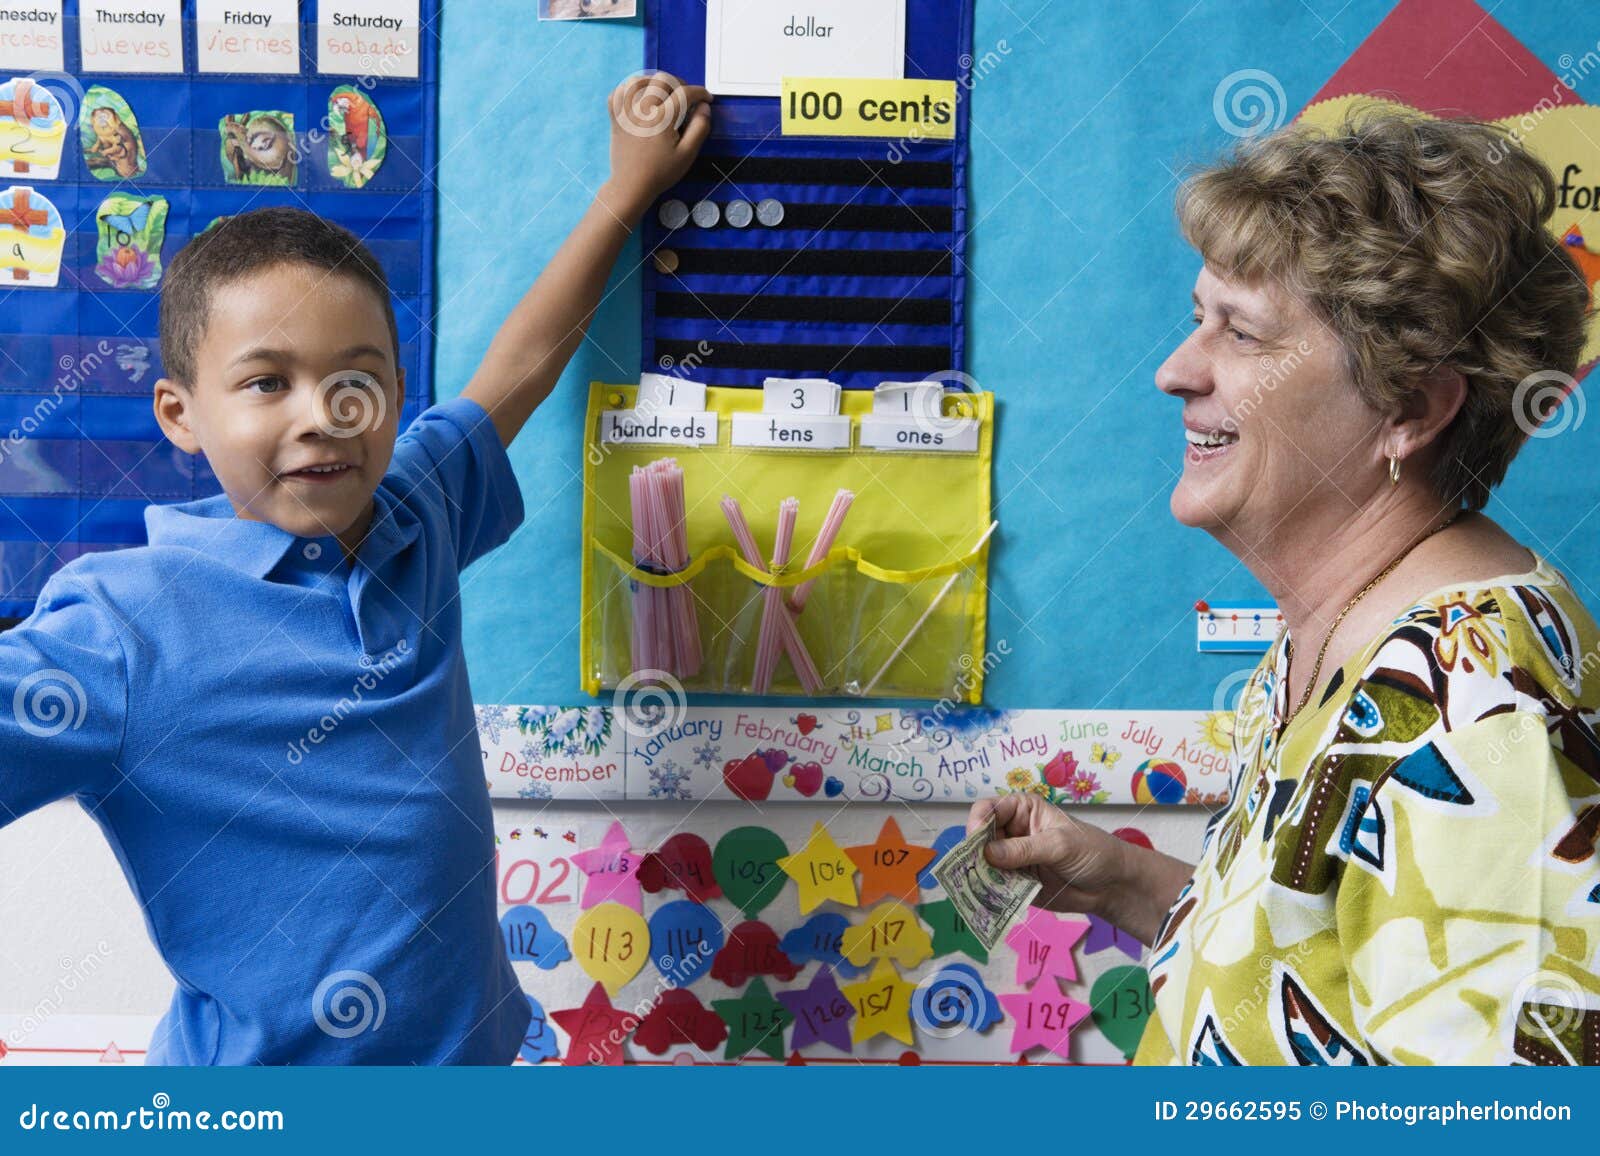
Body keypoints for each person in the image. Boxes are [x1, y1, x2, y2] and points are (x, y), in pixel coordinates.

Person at [0, 74, 711, 1064]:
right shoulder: (124, 627)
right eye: (266, 381)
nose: (321, 415)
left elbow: (518, 366)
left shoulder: (416, 510)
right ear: (179, 413)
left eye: (357, 379)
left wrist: (623, 196)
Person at [970, 110, 1600, 1065]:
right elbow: (1318, 979)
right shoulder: (1344, 634)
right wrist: (1121, 881)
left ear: (1410, 407)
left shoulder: (1475, 715)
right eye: (1197, 318)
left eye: (1245, 334)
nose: (1175, 371)